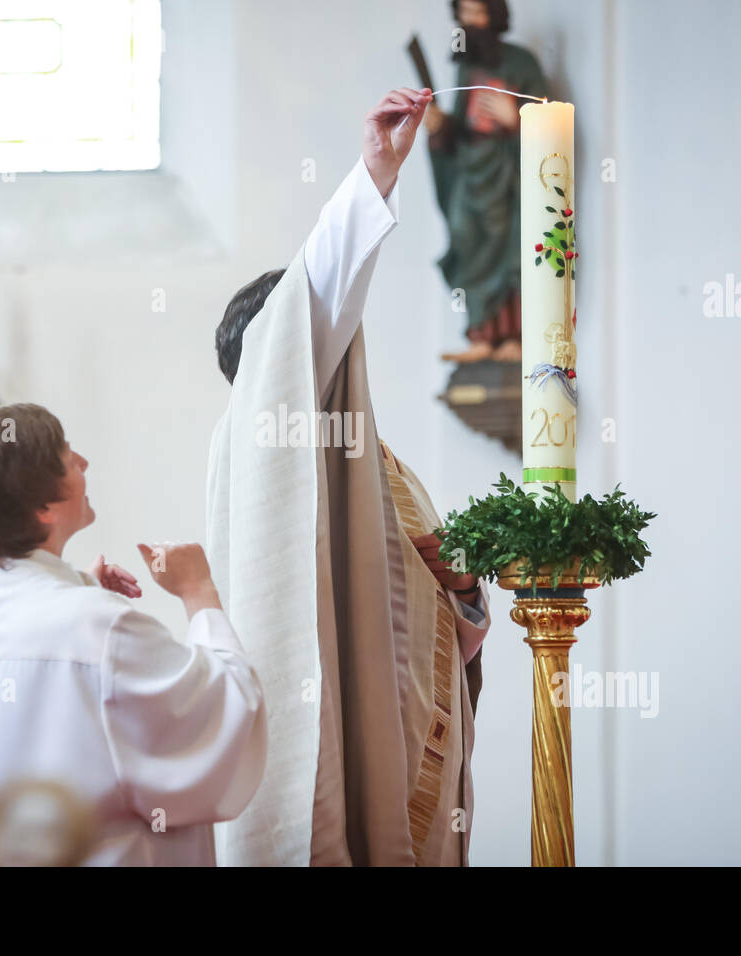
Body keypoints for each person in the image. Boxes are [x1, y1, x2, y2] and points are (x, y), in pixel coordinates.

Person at [208, 89, 491, 866]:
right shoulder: (265, 438)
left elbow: (422, 601)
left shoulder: (366, 458)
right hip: (351, 729)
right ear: (277, 364)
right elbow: (319, 294)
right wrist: (374, 174)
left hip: (406, 726)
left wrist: (464, 596)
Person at [0, 403, 268, 866]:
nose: (83, 461)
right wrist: (197, 592)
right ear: (44, 508)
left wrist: (78, 587)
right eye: (67, 456)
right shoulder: (100, 626)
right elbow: (228, 716)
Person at [426, 0, 546, 363]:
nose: (471, 21)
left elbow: (550, 125)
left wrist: (516, 120)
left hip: (508, 171)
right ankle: (480, 333)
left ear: (494, 15)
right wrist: (440, 127)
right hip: (471, 169)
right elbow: (459, 127)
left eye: (477, 12)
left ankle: (513, 336)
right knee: (465, 234)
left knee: (512, 246)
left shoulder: (522, 63)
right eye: (464, 13)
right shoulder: (467, 68)